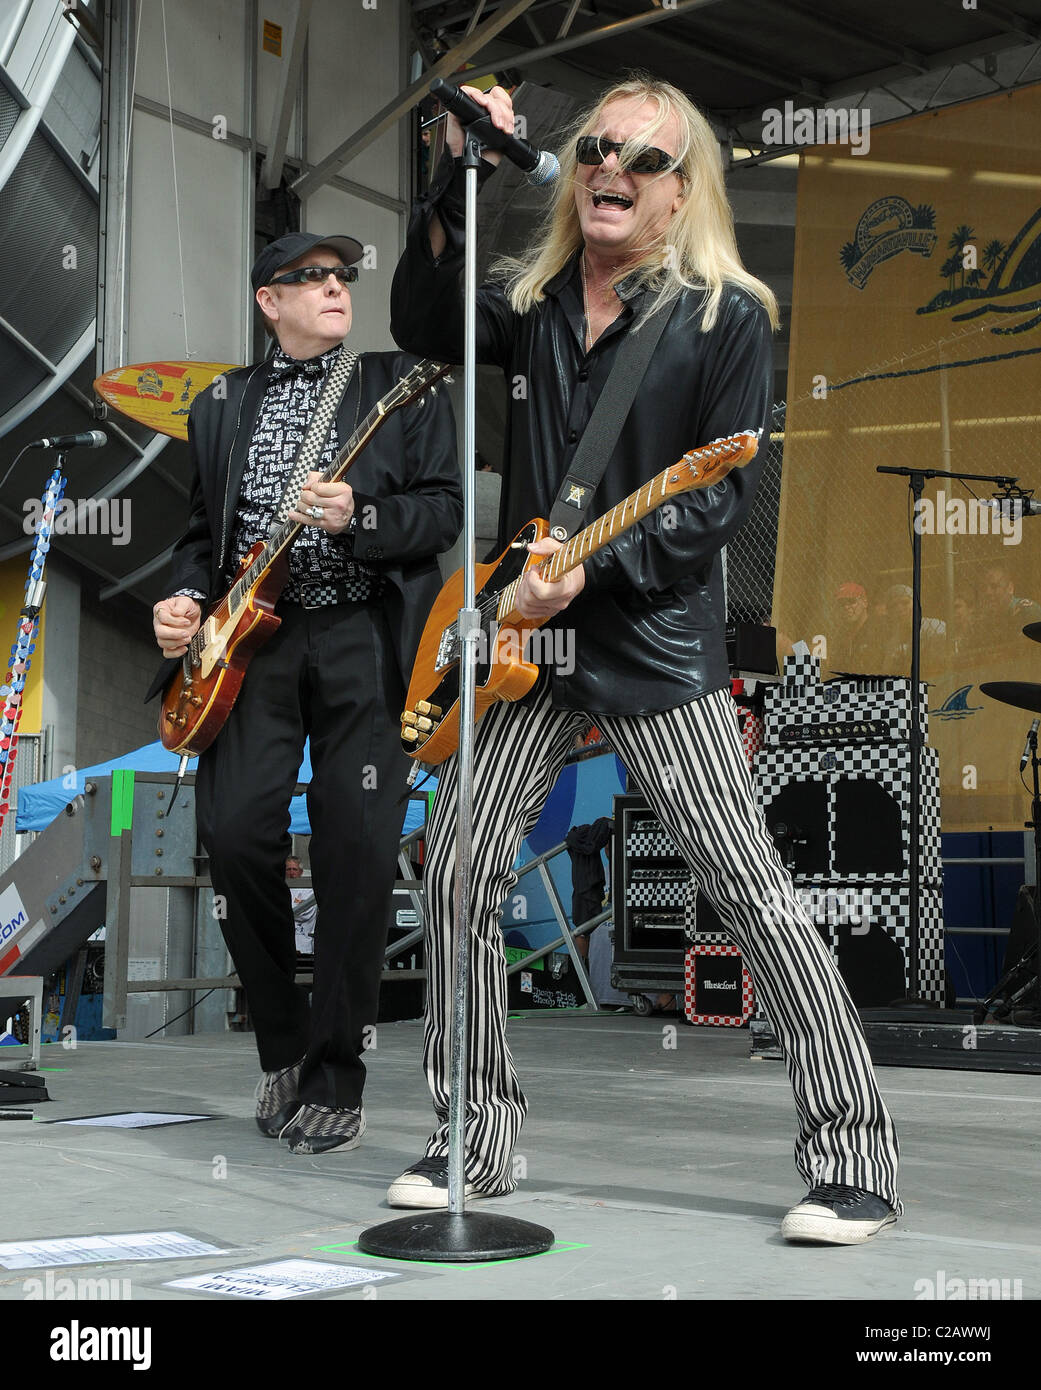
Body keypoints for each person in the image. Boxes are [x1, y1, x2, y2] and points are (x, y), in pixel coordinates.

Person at [387, 76, 901, 1244]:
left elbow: (711, 505)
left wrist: (596, 572)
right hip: (529, 640)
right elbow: (422, 318)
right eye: (593, 148)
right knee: (456, 871)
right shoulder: (532, 304)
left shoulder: (728, 315)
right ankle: (474, 1135)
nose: (611, 167)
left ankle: (853, 1157)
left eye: (642, 158)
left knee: (753, 895)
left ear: (682, 192)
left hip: (656, 640)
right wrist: (453, 171)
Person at [147, 233, 462, 1154]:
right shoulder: (222, 403)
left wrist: (357, 515)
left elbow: (443, 509)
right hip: (253, 646)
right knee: (235, 831)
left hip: (363, 634)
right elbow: (200, 534)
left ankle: (336, 1072)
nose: (333, 289)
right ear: (267, 303)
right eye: (310, 279)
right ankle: (282, 1044)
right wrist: (179, 598)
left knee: (356, 849)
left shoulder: (399, 381)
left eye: (341, 279)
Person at [285, 855, 317, 955]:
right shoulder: (282, 888)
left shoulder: (308, 889)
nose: (291, 872)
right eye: (288, 869)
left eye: (294, 869)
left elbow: (305, 913)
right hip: (286, 944)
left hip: (304, 945)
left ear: (301, 871)